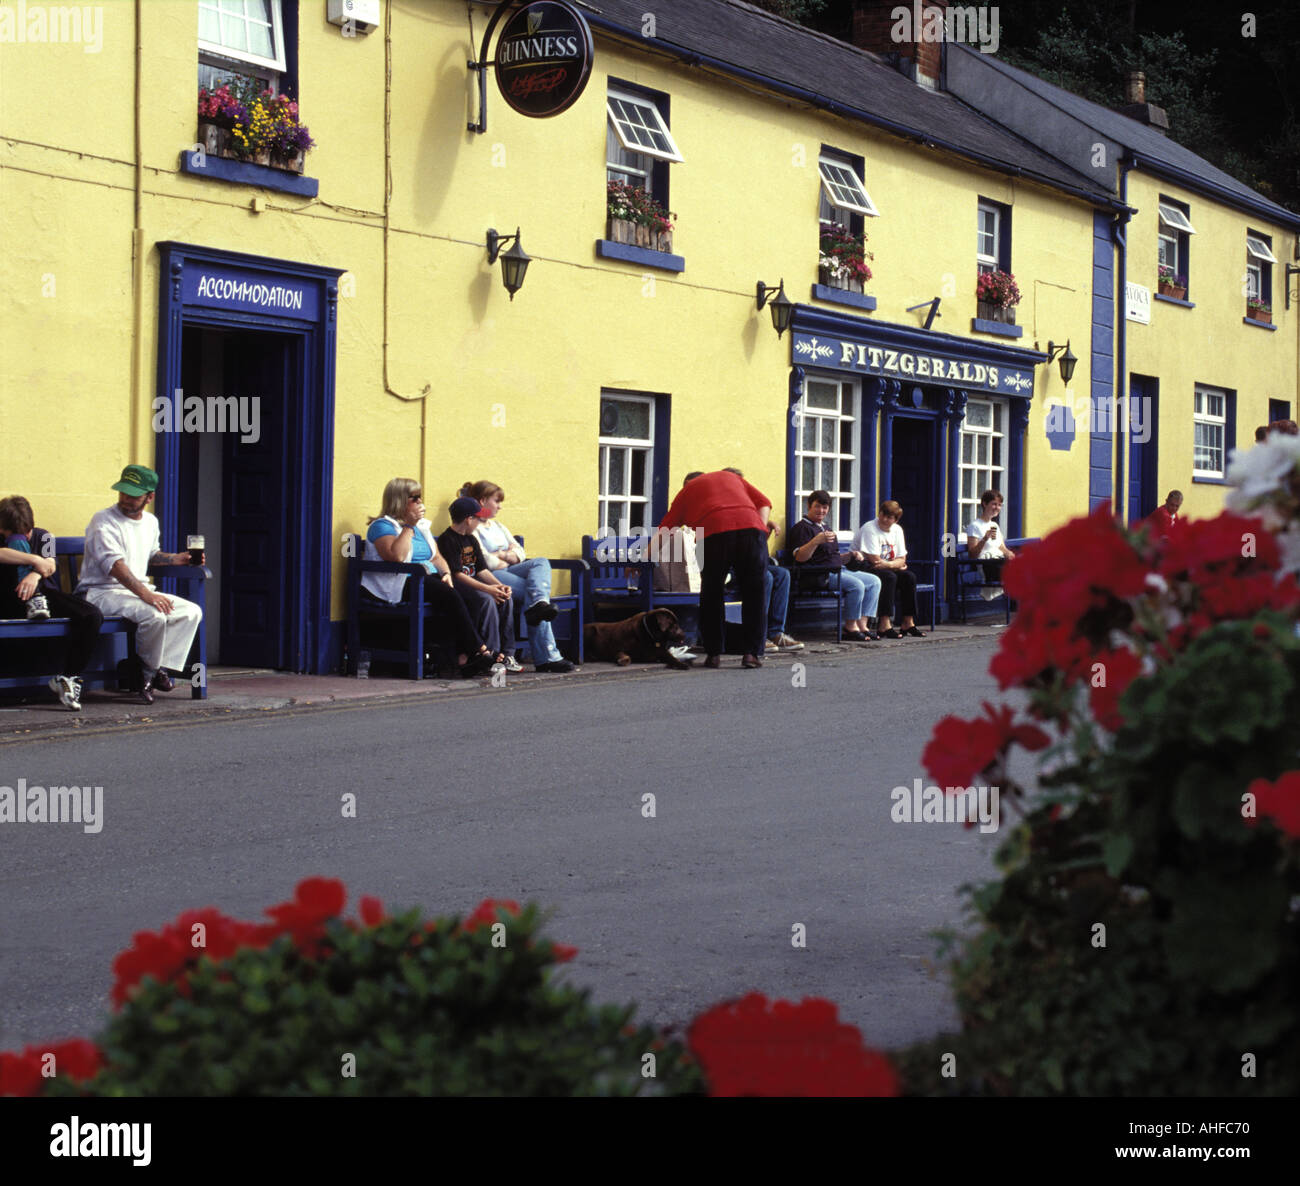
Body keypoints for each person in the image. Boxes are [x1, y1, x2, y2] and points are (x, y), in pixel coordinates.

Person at [76, 465, 203, 705]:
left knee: (191, 612)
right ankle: (146, 675)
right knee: (154, 615)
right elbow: (114, 565)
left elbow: (151, 555)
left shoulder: (150, 522)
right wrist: (146, 594)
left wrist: (176, 559)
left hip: (134, 593)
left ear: (149, 496)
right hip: (100, 592)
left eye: (133, 494)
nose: (125, 498)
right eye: (123, 492)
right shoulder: (102, 520)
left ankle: (154, 668)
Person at [361, 478, 498, 678]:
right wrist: (408, 526)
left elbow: (436, 556)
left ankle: (463, 658)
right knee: (449, 597)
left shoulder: (420, 527)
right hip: (399, 582)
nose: (419, 502)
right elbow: (396, 557)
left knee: (472, 598)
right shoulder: (382, 526)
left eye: (420, 497)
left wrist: (446, 574)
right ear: (399, 500)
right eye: (414, 498)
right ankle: (478, 649)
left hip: (426, 577)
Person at [0, 495, 104, 711]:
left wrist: (34, 576)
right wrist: (33, 559)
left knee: (92, 615)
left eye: (26, 533)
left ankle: (68, 677)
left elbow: (50, 567)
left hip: (45, 597)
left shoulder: (43, 536)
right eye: (13, 534)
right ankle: (34, 601)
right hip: (8, 600)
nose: (23, 537)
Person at [460, 480, 575, 673]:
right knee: (536, 601)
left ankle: (539, 604)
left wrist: (502, 555)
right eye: (496, 501)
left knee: (541, 562)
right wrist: (507, 555)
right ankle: (547, 657)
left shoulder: (498, 526)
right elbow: (485, 562)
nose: (500, 506)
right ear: (482, 501)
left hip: (507, 571)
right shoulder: (472, 527)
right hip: (490, 577)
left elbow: (520, 552)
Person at [658, 469, 770, 668]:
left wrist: (640, 560)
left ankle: (714, 654)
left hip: (713, 535)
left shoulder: (686, 492)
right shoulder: (730, 477)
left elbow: (665, 532)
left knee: (711, 593)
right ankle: (751, 654)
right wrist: (759, 531)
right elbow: (764, 502)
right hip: (751, 531)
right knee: (755, 593)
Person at [713, 471, 802, 654]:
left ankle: (776, 632)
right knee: (766, 577)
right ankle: (758, 636)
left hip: (747, 561)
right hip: (728, 567)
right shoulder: (721, 505)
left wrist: (764, 529)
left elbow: (754, 545)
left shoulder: (749, 506)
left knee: (783, 574)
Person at [437, 496, 520, 673]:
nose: (480, 522)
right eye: (477, 518)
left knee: (504, 598)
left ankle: (507, 653)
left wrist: (499, 586)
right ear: (469, 519)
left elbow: (481, 569)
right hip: (460, 586)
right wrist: (488, 589)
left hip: (476, 583)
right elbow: (457, 574)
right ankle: (490, 654)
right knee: (487, 600)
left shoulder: (472, 540)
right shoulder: (447, 539)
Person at [788, 490, 881, 641]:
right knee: (856, 585)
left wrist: (850, 555)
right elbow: (800, 558)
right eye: (817, 506)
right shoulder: (801, 528)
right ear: (809, 506)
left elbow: (834, 557)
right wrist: (815, 541)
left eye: (825, 508)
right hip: (819, 575)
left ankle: (862, 625)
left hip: (838, 570)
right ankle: (850, 627)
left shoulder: (826, 528)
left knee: (874, 581)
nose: (821, 511)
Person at [856, 500, 922, 638]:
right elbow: (874, 559)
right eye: (882, 514)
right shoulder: (870, 528)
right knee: (889, 577)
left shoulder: (897, 530)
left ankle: (907, 622)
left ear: (896, 520)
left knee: (909, 577)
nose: (884, 519)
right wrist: (895, 564)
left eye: (889, 517)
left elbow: (902, 558)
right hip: (863, 567)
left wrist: (890, 565)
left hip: (886, 568)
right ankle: (884, 624)